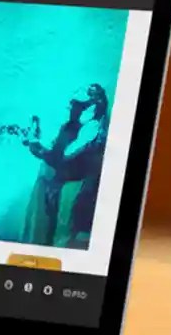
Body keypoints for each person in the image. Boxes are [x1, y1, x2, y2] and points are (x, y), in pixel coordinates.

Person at [18, 84, 109, 247]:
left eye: (77, 104)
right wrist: (35, 143)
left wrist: (36, 147)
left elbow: (64, 156)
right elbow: (56, 150)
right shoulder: (73, 125)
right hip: (58, 179)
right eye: (74, 103)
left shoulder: (92, 129)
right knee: (40, 227)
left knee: (58, 232)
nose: (71, 107)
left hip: (71, 184)